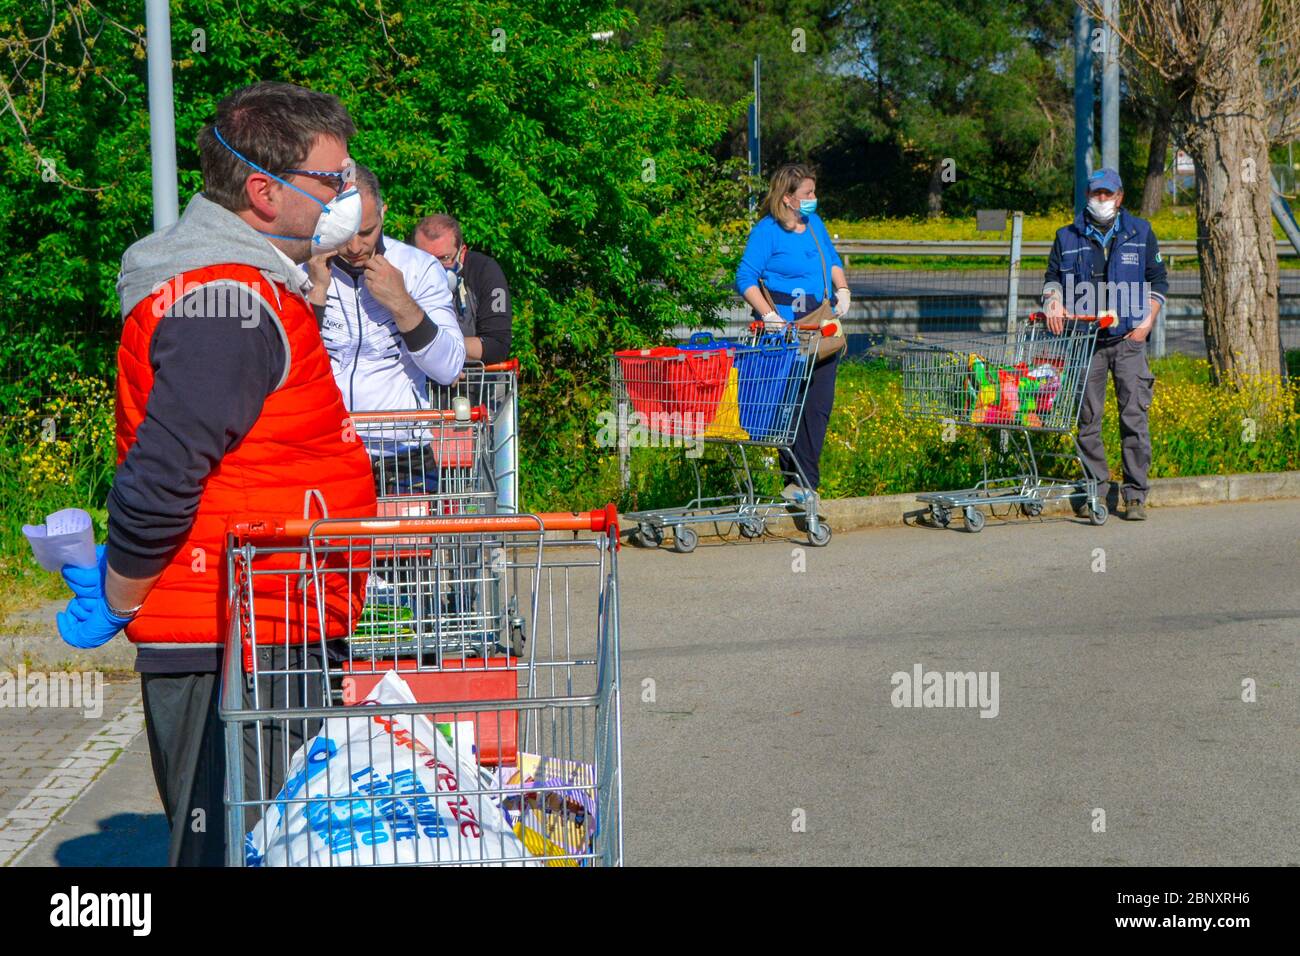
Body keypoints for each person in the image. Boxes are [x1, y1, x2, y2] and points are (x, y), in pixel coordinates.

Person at [56, 81, 378, 865]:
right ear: (264, 193)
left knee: (260, 845)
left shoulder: (245, 287)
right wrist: (121, 592)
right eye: (333, 181)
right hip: (234, 637)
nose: (350, 195)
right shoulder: (228, 303)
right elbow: (164, 468)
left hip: (260, 626)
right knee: (241, 848)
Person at [304, 166, 466, 493]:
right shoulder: (301, 268)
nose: (354, 245)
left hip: (403, 453)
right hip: (326, 450)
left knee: (406, 547)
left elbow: (449, 367)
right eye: (343, 231)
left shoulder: (419, 268)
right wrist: (316, 295)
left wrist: (402, 303)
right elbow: (291, 367)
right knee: (334, 547)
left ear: (383, 213)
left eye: (366, 232)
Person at [1043, 167, 1168, 521]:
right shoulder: (1066, 236)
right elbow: (1052, 277)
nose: (1102, 200)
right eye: (1096, 194)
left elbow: (1158, 280)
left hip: (1129, 339)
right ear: (1087, 196)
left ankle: (1135, 496)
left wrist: (1146, 322)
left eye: (1107, 194)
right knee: (1087, 420)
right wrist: (1052, 300)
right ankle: (1096, 491)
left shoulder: (1140, 232)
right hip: (1085, 343)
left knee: (1134, 418)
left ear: (1120, 197)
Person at [735, 163, 851, 530]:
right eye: (807, 194)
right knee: (788, 410)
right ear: (787, 197)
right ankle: (799, 484)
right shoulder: (766, 232)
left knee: (817, 410)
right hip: (786, 330)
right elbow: (745, 277)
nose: (814, 199)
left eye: (814, 193)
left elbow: (830, 259)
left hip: (821, 324)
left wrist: (843, 287)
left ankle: (803, 484)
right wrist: (768, 315)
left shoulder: (814, 225)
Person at [412, 214, 513, 365]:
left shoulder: (485, 271)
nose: (433, 268)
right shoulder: (400, 275)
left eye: (444, 258)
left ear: (462, 253)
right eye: (425, 258)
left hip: (473, 383)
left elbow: (496, 346)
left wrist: (439, 345)